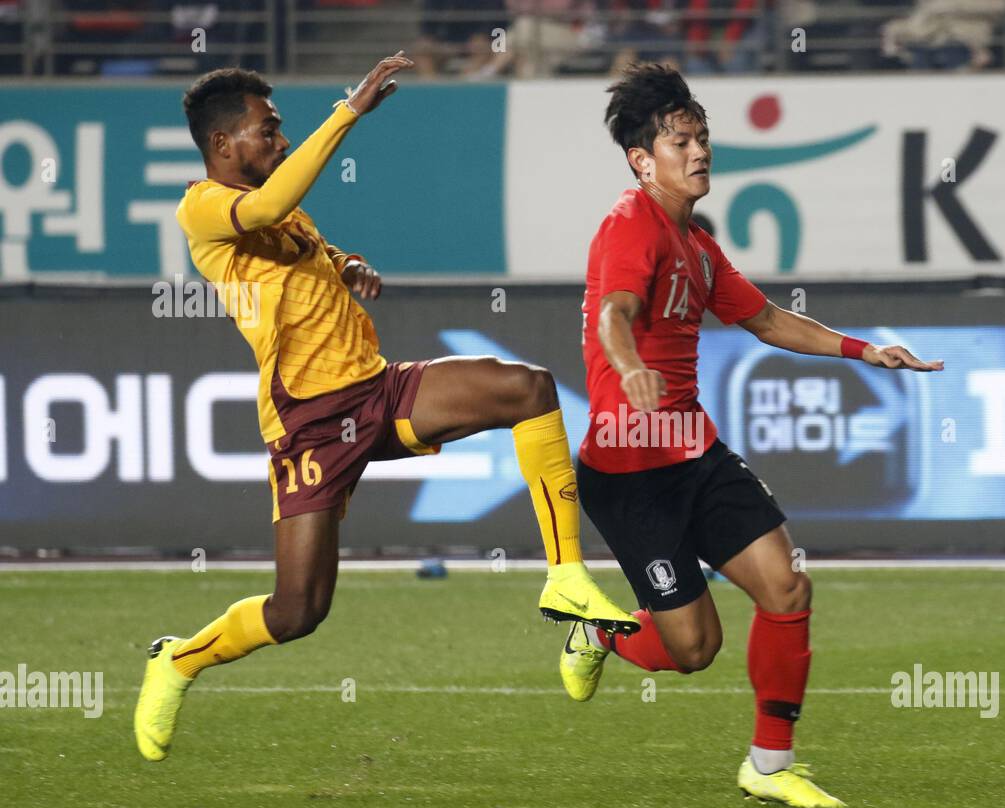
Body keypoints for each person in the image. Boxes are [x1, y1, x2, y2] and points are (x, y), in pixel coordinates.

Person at [134, 55, 639, 762]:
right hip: (309, 423)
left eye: (279, 130)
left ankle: (569, 581)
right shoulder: (203, 206)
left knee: (528, 389)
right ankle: (178, 660)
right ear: (223, 145)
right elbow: (269, 210)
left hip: (377, 390)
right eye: (267, 129)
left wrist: (346, 265)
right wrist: (349, 111)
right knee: (298, 611)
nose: (279, 139)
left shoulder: (284, 209)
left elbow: (301, 245)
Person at [562, 62, 944, 808]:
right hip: (629, 471)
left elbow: (767, 319)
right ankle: (598, 635)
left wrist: (865, 350)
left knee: (787, 586)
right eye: (682, 140)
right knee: (695, 650)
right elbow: (614, 312)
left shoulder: (698, 246)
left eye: (704, 137)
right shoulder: (629, 224)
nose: (701, 151)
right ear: (644, 160)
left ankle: (771, 766)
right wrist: (630, 362)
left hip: (695, 453)